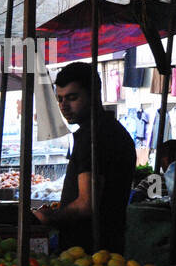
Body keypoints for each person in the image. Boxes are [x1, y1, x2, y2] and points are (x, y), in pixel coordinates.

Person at [33, 62, 137, 254]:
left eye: (72, 98)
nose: (64, 106)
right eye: (60, 99)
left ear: (94, 95)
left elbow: (86, 204)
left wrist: (50, 218)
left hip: (90, 250)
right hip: (108, 245)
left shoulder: (93, 137)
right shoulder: (111, 130)